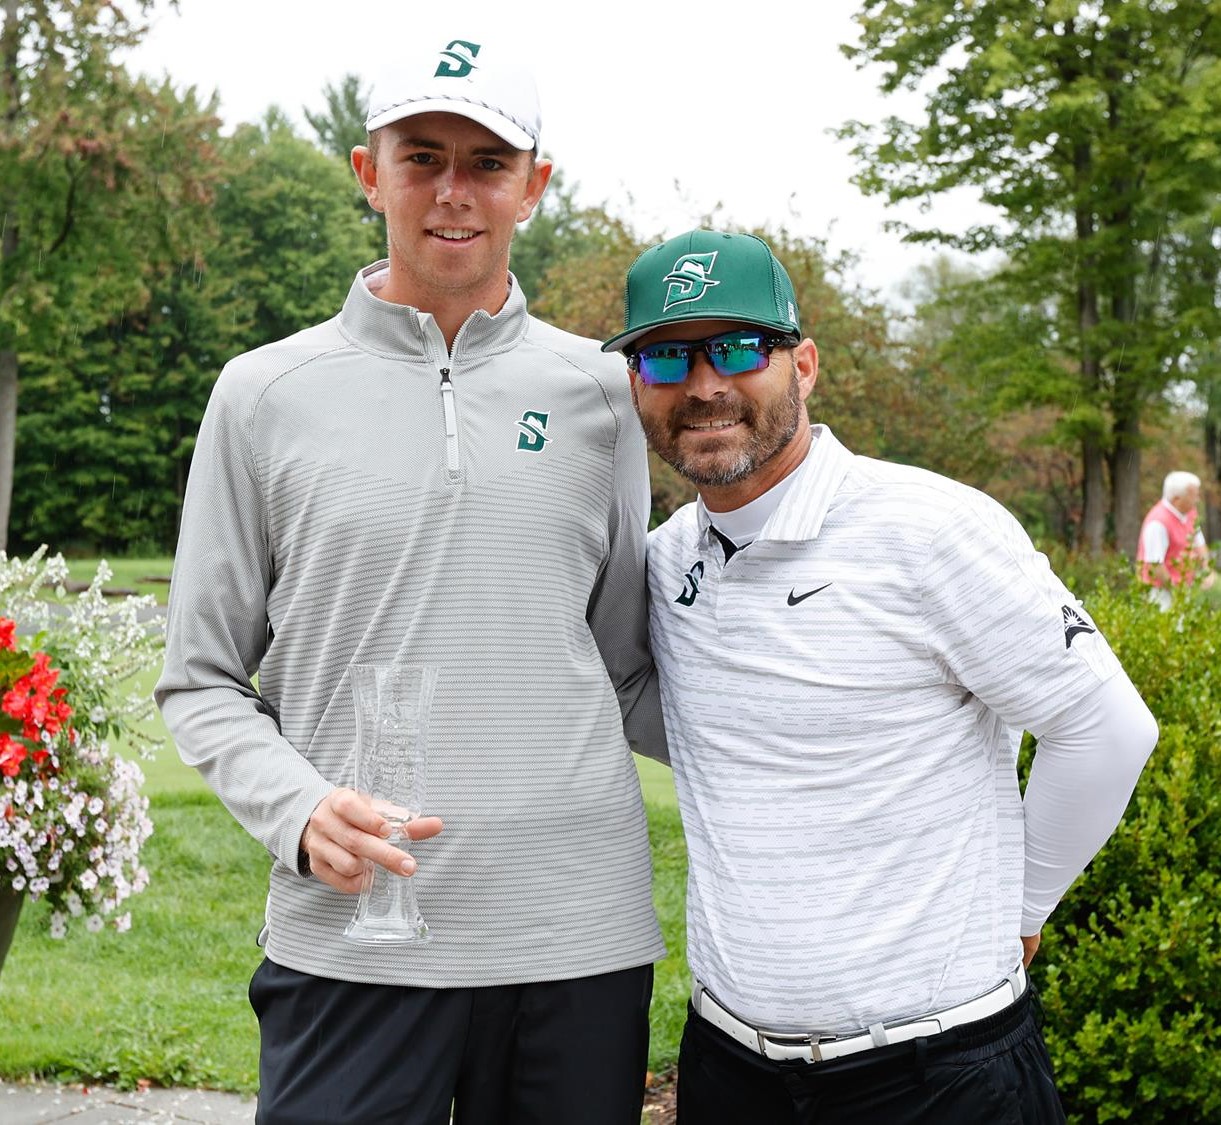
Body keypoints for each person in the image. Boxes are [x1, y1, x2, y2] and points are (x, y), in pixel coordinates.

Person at [156, 38, 666, 1125]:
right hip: (354, 940)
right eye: (420, 156)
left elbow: (629, 664)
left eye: (488, 163)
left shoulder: (602, 394)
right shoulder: (263, 394)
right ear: (365, 171)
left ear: (536, 184)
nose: (452, 190)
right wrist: (297, 810)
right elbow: (199, 678)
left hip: (576, 942)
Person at [601, 229, 1158, 1124]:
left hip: (937, 1076)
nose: (704, 385)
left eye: (739, 348)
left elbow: (1106, 728)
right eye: (666, 358)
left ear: (804, 363)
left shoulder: (928, 528)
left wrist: (1021, 907)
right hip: (728, 1067)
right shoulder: (665, 563)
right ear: (637, 387)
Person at [1136, 470, 1214, 609]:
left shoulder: (1190, 512)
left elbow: (1199, 542)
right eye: (1193, 496)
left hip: (1182, 588)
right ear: (1177, 499)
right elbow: (1155, 565)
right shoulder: (1158, 522)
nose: (1197, 500)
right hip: (1159, 593)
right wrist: (1177, 591)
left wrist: (1207, 569)